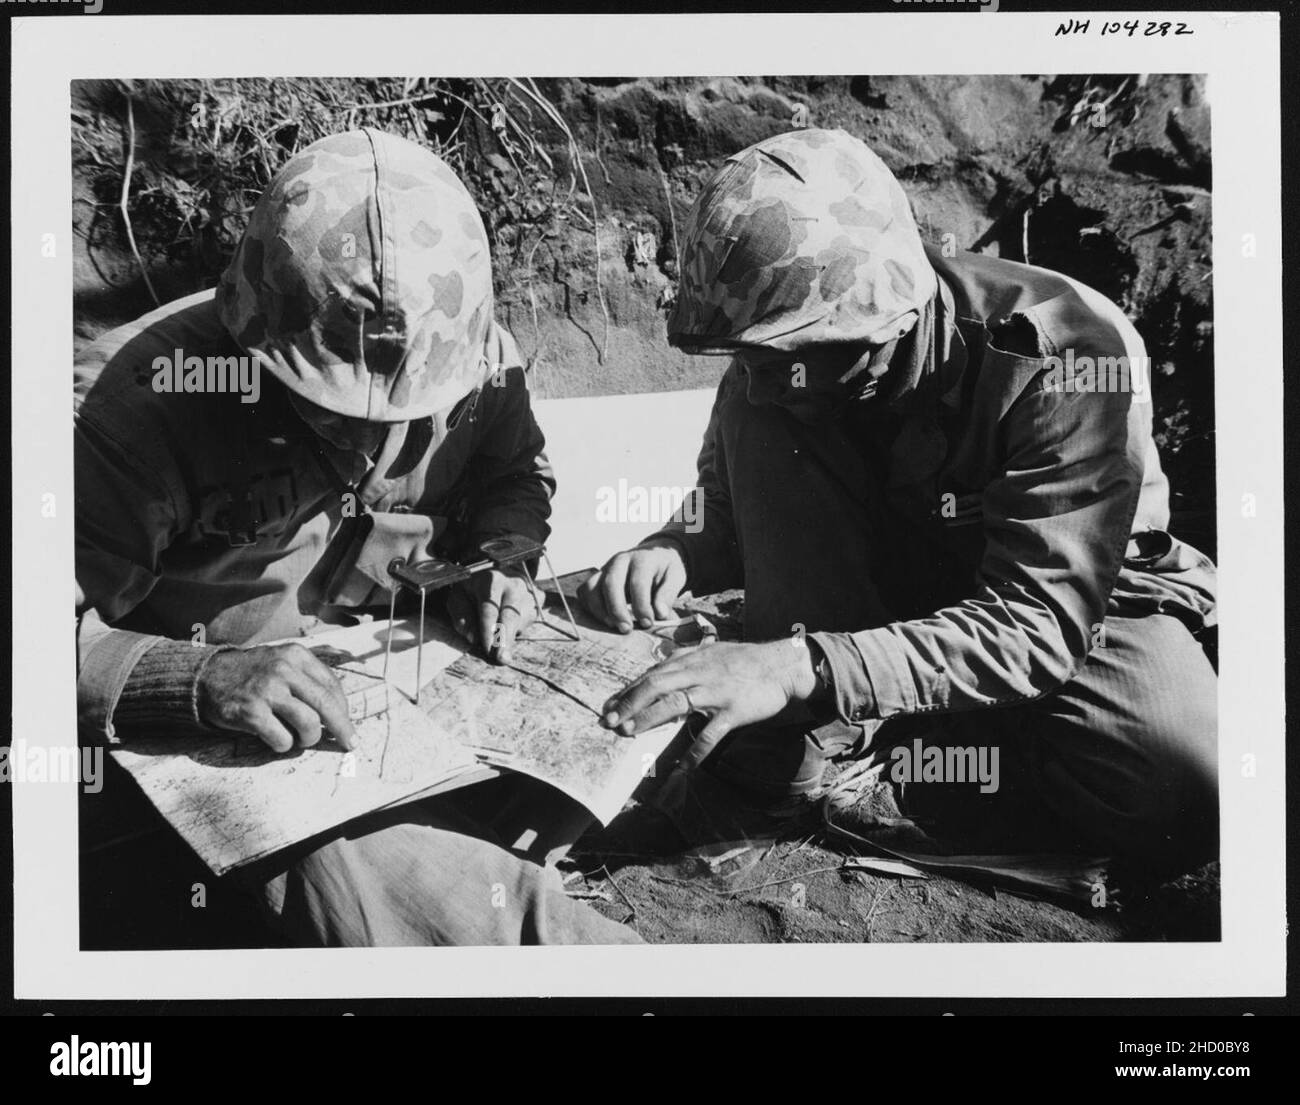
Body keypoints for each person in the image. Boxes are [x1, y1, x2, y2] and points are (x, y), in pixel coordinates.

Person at [581, 128, 1218, 872]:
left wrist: (796, 666)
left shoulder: (1066, 356)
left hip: (1068, 602)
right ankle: (846, 724)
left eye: (779, 359)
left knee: (1177, 791)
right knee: (758, 767)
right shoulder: (783, 354)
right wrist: (673, 548)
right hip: (885, 587)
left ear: (883, 330)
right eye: (744, 359)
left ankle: (931, 738)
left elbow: (1038, 619)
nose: (751, 385)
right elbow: (721, 510)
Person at [76, 128, 638, 946]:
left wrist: (491, 565)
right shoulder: (132, 408)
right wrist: (198, 680)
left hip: (413, 694)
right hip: (235, 750)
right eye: (328, 401)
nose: (365, 433)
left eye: (408, 405)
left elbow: (515, 479)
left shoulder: (465, 354)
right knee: (428, 898)